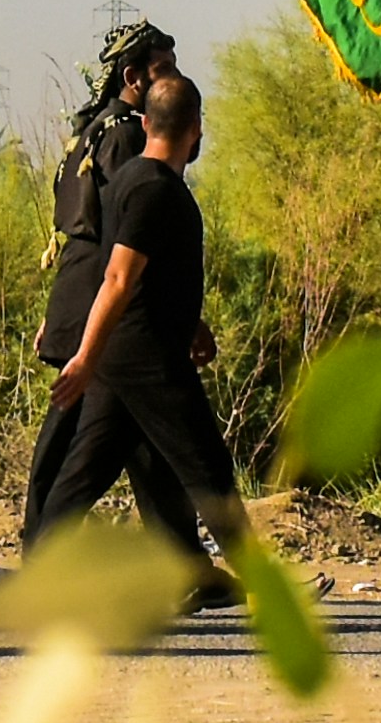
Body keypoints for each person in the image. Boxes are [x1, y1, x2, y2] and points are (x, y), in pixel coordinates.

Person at [31, 71, 242, 578]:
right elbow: (120, 279)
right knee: (207, 466)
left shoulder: (132, 180)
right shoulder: (153, 188)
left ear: (146, 122)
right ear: (196, 128)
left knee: (88, 469)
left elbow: (153, 275)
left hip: (127, 353)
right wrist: (84, 357)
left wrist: (191, 324)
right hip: (146, 357)